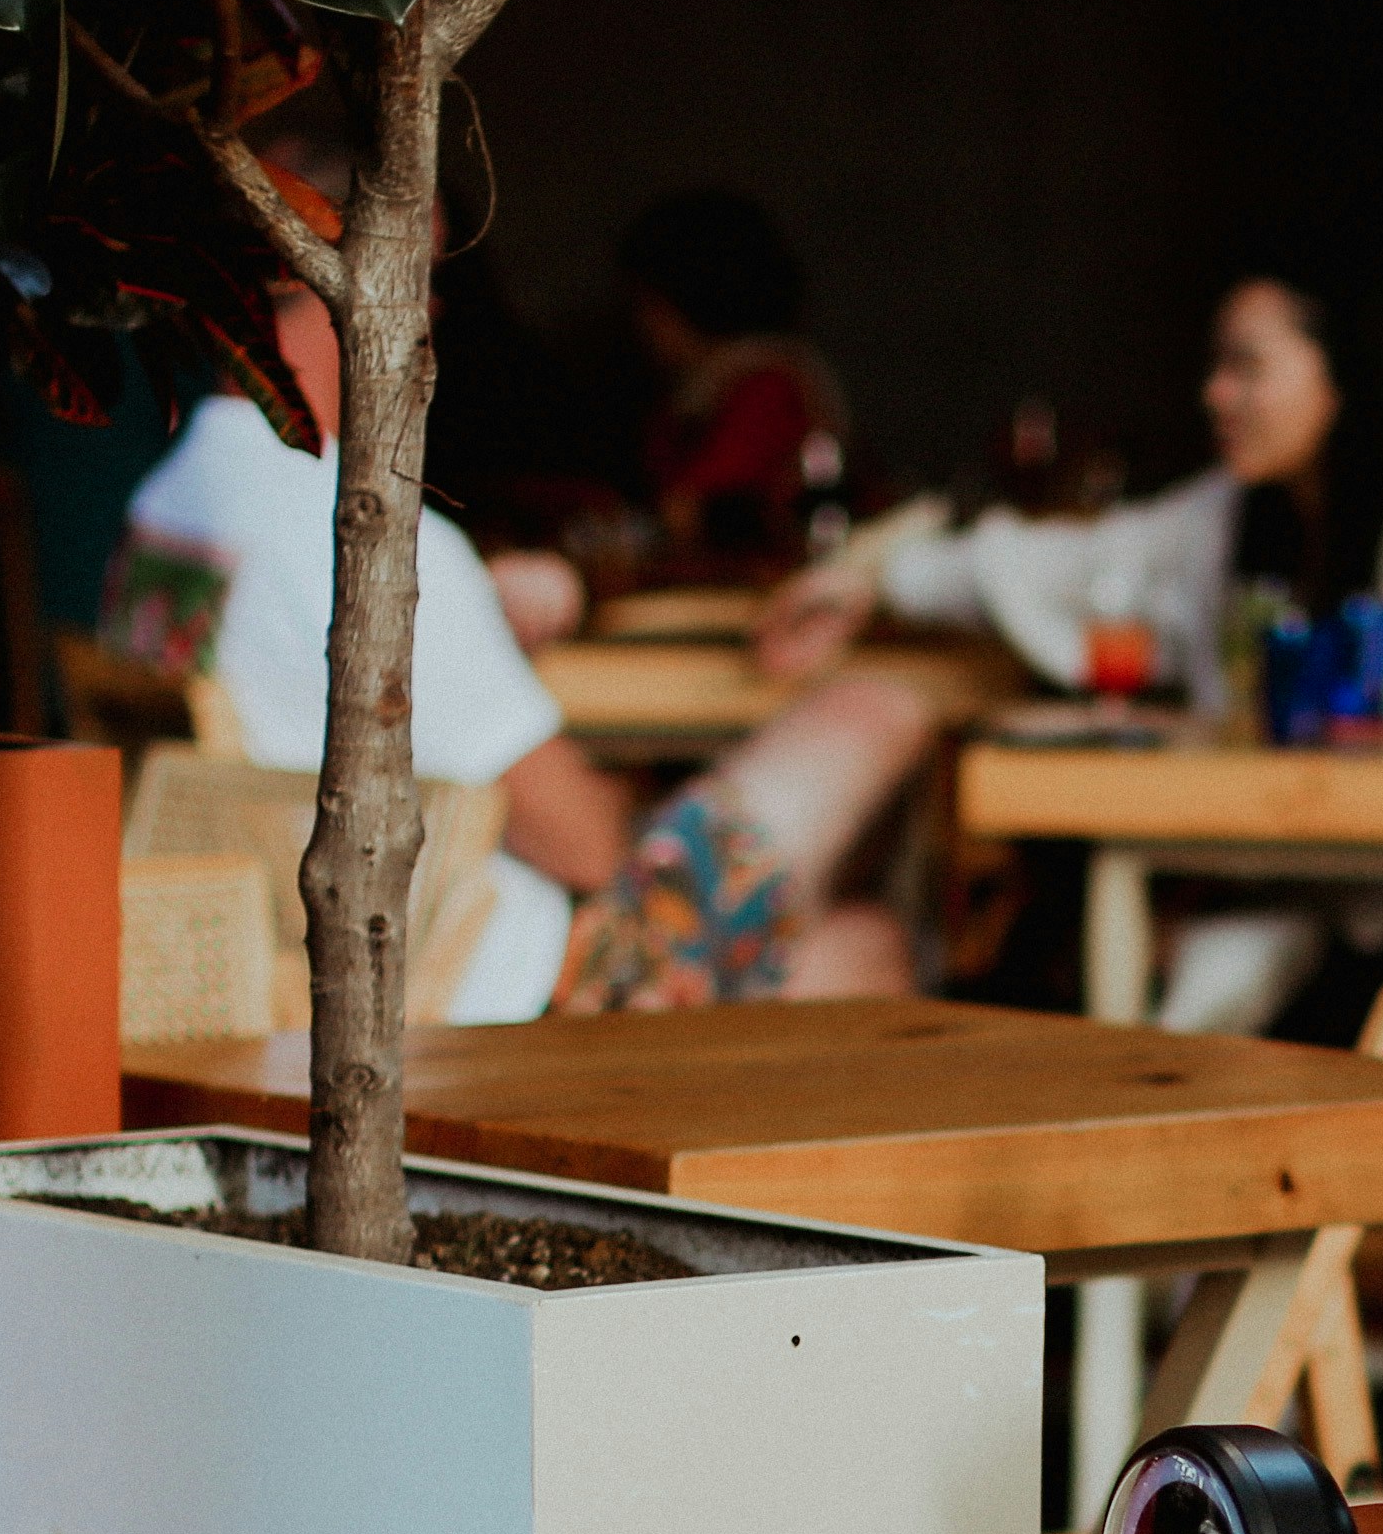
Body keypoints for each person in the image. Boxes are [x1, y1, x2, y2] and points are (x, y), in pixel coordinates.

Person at [759, 270, 1383, 1029]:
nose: (1217, 395)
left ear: (1338, 377)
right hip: (1238, 879)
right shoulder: (1229, 517)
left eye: (1246, 366)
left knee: (1213, 967)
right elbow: (1085, 565)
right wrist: (879, 581)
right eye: (1216, 367)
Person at [118, 290, 921, 1013]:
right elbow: (585, 847)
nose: (434, 314)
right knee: (878, 737)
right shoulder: (374, 543)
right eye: (423, 279)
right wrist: (622, 792)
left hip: (327, 946)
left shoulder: (164, 508)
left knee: (836, 938)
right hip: (508, 980)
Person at [620, 187, 847, 571]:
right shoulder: (704, 387)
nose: (640, 323)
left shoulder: (767, 384)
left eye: (646, 302)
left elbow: (690, 509)